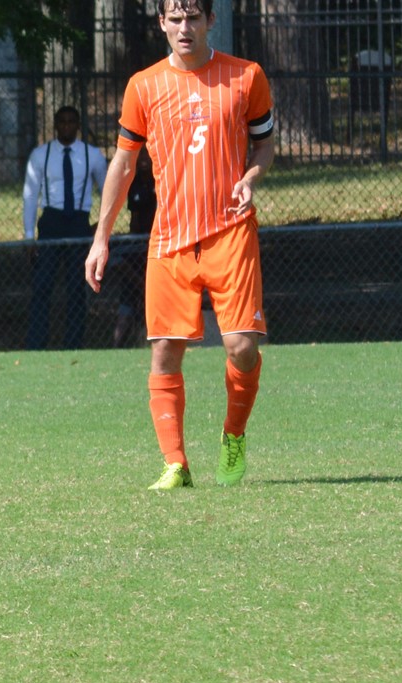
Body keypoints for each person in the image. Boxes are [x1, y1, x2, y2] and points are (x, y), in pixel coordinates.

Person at [84, 0, 275, 490]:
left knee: (242, 347)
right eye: (175, 18)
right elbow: (123, 166)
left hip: (231, 230)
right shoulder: (142, 86)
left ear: (211, 20)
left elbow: (264, 144)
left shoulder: (246, 76)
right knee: (165, 351)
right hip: (169, 237)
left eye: (193, 17)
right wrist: (100, 238)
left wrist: (251, 176)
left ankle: (233, 435)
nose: (184, 27)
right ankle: (176, 464)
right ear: (162, 23)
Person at [24, 107, 109, 350]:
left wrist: (101, 227)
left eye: (72, 121)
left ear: (78, 124)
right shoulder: (41, 155)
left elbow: (107, 192)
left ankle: (74, 343)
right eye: (62, 121)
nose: (67, 126)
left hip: (78, 222)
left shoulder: (92, 155)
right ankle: (36, 343)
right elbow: (30, 195)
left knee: (76, 286)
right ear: (56, 124)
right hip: (51, 221)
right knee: (42, 285)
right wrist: (29, 235)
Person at [109, 146, 158, 347]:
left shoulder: (162, 179)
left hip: (159, 242)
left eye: (148, 153)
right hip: (139, 244)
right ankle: (116, 346)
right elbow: (135, 219)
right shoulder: (135, 182)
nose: (144, 158)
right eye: (141, 154)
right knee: (118, 261)